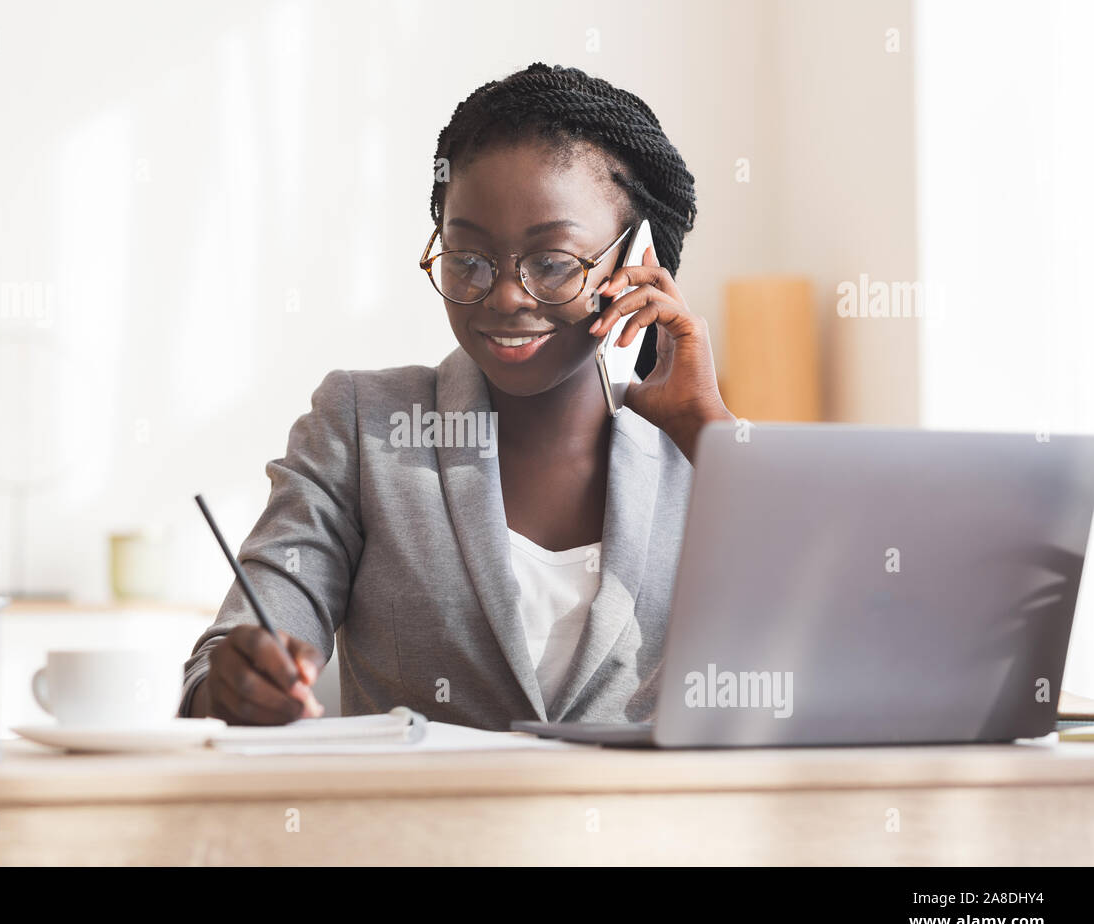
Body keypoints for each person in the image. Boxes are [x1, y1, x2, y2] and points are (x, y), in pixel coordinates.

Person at [181, 63, 735, 729]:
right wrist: (238, 681)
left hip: (649, 834)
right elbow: (228, 654)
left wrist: (711, 435)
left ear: (637, 262)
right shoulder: (365, 427)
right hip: (421, 832)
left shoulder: (700, 455)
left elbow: (830, 647)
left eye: (553, 262)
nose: (504, 295)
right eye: (467, 259)